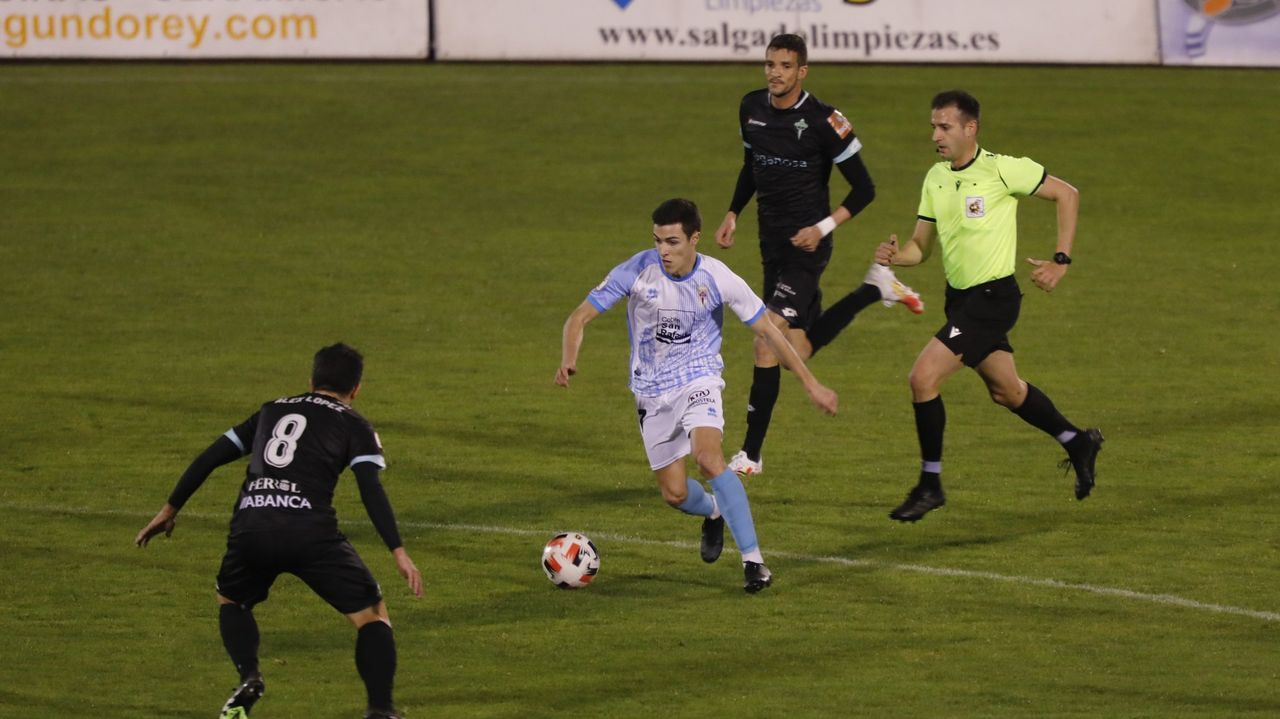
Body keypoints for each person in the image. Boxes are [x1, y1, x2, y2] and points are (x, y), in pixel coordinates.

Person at [557, 198, 838, 592]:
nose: (663, 251)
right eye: (658, 241)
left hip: (698, 380)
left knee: (708, 459)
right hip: (651, 393)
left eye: (672, 242)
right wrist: (569, 358)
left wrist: (811, 383)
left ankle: (753, 561)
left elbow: (770, 332)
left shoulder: (718, 278)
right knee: (674, 493)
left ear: (694, 239)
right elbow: (579, 316)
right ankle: (715, 511)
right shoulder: (638, 270)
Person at [135, 343, 422, 719]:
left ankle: (249, 676)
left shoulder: (273, 410)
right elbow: (370, 488)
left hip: (252, 525)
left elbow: (211, 456)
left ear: (311, 380)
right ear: (356, 390)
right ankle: (380, 711)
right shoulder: (355, 424)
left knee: (232, 601)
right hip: (310, 532)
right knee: (372, 616)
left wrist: (170, 509)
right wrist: (397, 551)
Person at [875, 89, 1104, 523]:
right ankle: (1077, 441)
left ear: (970, 129)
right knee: (1007, 391)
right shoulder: (936, 178)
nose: (936, 136)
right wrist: (896, 256)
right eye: (933, 127)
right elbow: (921, 247)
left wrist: (1061, 260)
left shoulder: (1002, 170)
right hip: (958, 300)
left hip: (993, 298)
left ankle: (930, 483)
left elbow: (1067, 194)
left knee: (923, 378)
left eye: (944, 127)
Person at [714, 33, 923, 478]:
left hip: (808, 248)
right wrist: (733, 212)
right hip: (770, 243)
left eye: (785, 66)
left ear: (802, 71)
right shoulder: (750, 108)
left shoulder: (826, 121)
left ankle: (750, 454)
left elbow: (865, 189)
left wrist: (822, 227)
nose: (775, 73)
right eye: (770, 64)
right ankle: (874, 287)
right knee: (799, 349)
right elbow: (751, 166)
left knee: (765, 336)